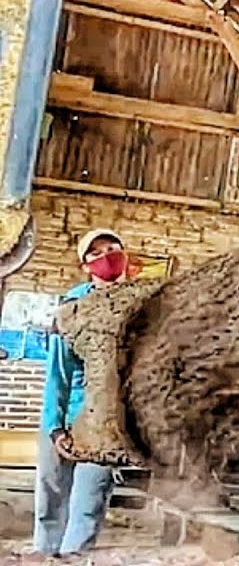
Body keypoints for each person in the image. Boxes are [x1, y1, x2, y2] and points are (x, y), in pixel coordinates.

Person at [33, 228, 130, 557]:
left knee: (89, 503)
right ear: (86, 266)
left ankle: (72, 560)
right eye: (96, 253)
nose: (106, 256)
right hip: (68, 415)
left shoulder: (139, 307)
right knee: (51, 499)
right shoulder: (73, 308)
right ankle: (44, 556)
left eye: (113, 248)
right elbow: (57, 374)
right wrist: (55, 427)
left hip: (107, 423)